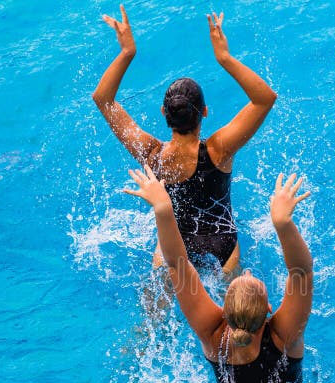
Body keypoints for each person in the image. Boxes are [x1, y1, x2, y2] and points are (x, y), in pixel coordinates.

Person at [124, 165, 313, 383]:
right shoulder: (285, 336)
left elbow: (178, 264)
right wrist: (283, 223)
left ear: (223, 310)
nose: (245, 269)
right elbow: (301, 272)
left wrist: (163, 209)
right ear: (269, 308)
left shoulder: (214, 335)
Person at [93, 7, 277, 274]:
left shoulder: (150, 153)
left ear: (164, 114)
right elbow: (265, 99)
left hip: (173, 247)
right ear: (204, 112)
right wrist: (224, 57)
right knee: (238, 313)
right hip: (222, 246)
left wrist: (126, 52)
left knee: (153, 314)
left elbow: (103, 100)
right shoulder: (219, 150)